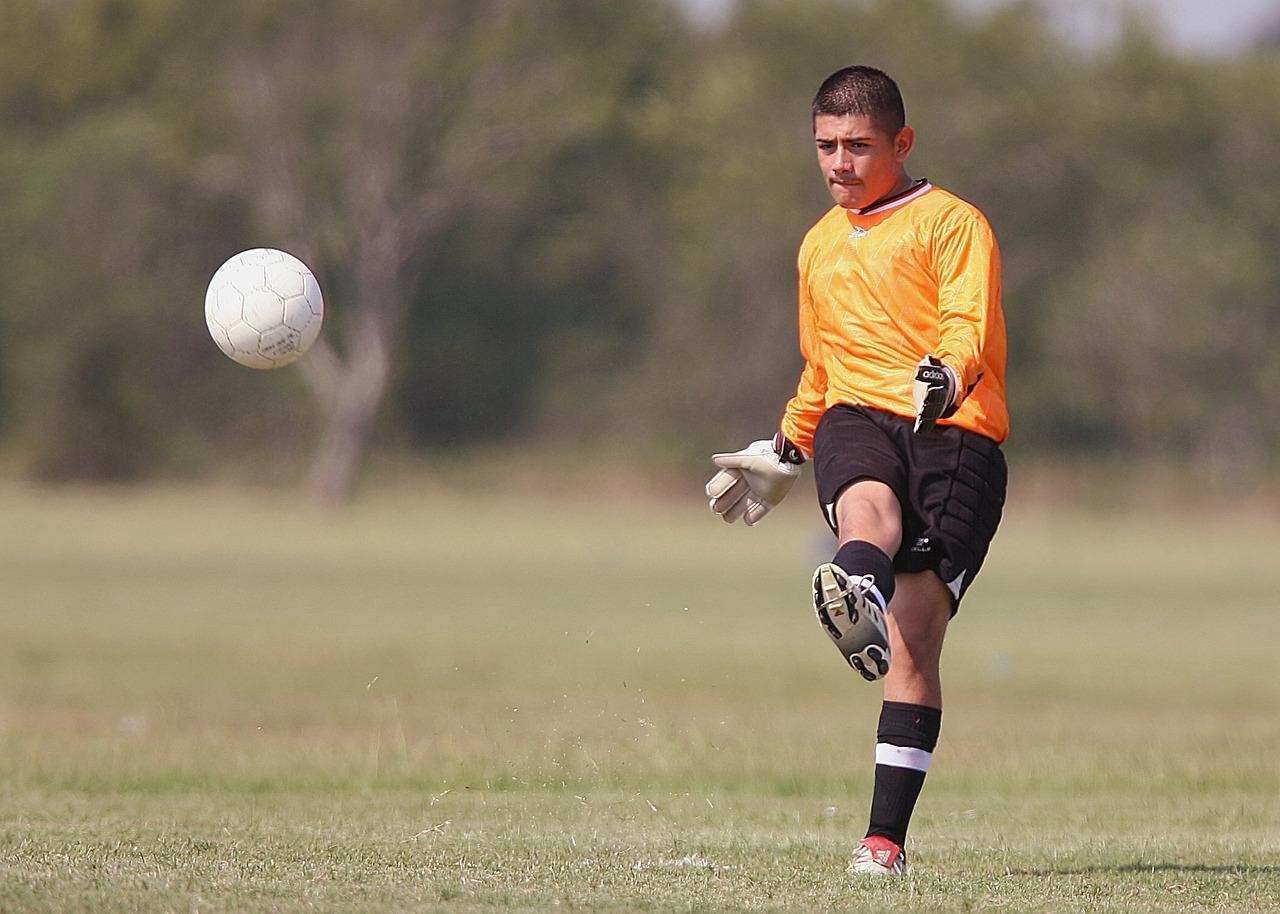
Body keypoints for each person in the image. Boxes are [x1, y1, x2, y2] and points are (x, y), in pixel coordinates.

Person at [704, 65, 1008, 877]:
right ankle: (856, 587)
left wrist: (945, 371)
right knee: (866, 508)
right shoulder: (817, 245)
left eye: (859, 146)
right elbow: (822, 366)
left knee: (914, 643)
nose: (839, 162)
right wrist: (787, 443)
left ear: (901, 143)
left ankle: (884, 842)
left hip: (953, 430)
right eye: (826, 146)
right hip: (857, 419)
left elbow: (966, 321)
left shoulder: (952, 223)